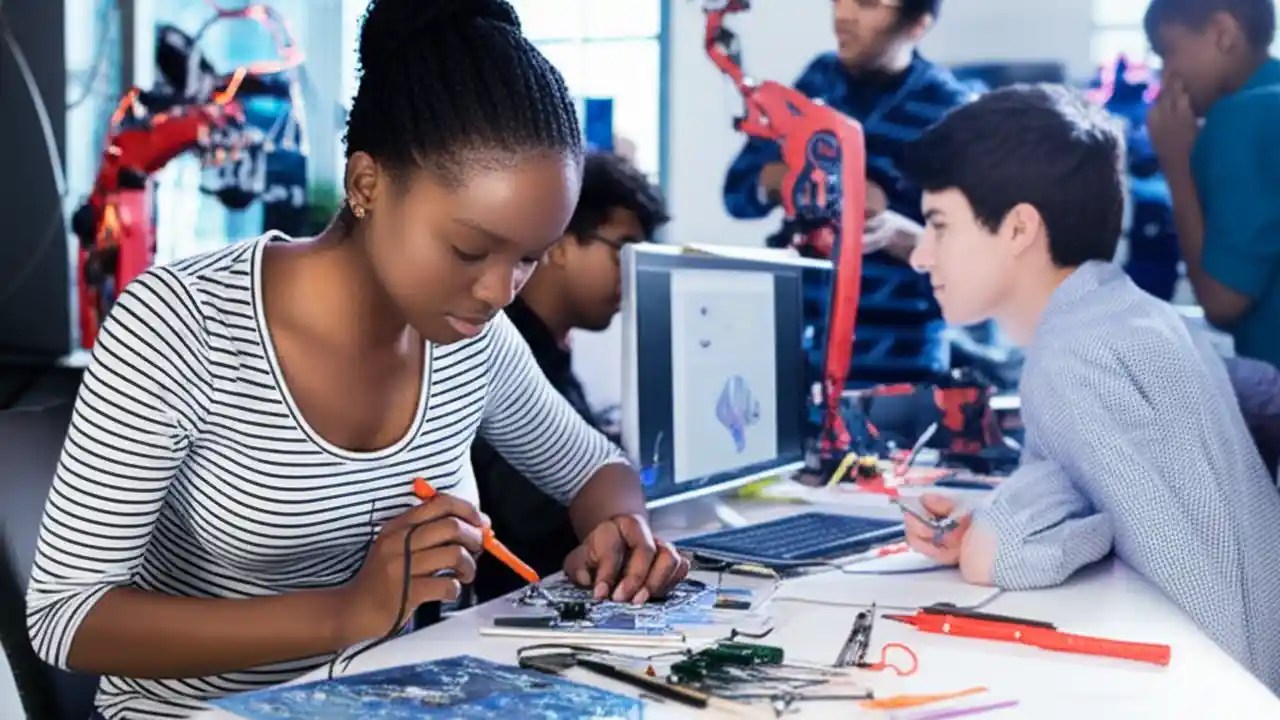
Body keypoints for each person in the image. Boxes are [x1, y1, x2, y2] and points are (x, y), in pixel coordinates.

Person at [24, 2, 689, 717]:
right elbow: (66, 618)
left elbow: (596, 469)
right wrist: (346, 612)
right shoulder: (184, 325)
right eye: (469, 250)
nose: (500, 291)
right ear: (366, 184)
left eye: (528, 258)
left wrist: (622, 533)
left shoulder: (471, 340)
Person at [895, 84, 1280, 693]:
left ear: (1019, 228)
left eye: (939, 225)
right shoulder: (1126, 313)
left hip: (1228, 686)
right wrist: (1006, 513)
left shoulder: (1073, 357)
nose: (919, 254)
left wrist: (997, 535)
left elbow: (1177, 564)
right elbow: (1112, 499)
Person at [722, 0, 974, 384]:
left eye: (868, 4)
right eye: (838, 0)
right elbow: (738, 194)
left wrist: (899, 235)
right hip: (798, 364)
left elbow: (973, 265)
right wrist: (790, 181)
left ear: (918, 24)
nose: (843, 15)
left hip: (899, 373)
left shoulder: (951, 112)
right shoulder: (815, 83)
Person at [472, 151, 669, 602]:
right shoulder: (494, 343)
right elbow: (537, 517)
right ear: (555, 240)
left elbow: (588, 464)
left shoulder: (552, 350)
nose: (631, 276)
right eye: (623, 251)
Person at [1144, 0, 1280, 367]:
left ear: (1223, 33)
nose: (1165, 75)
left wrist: (1176, 162)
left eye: (1167, 52)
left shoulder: (1242, 119)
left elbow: (1222, 301)